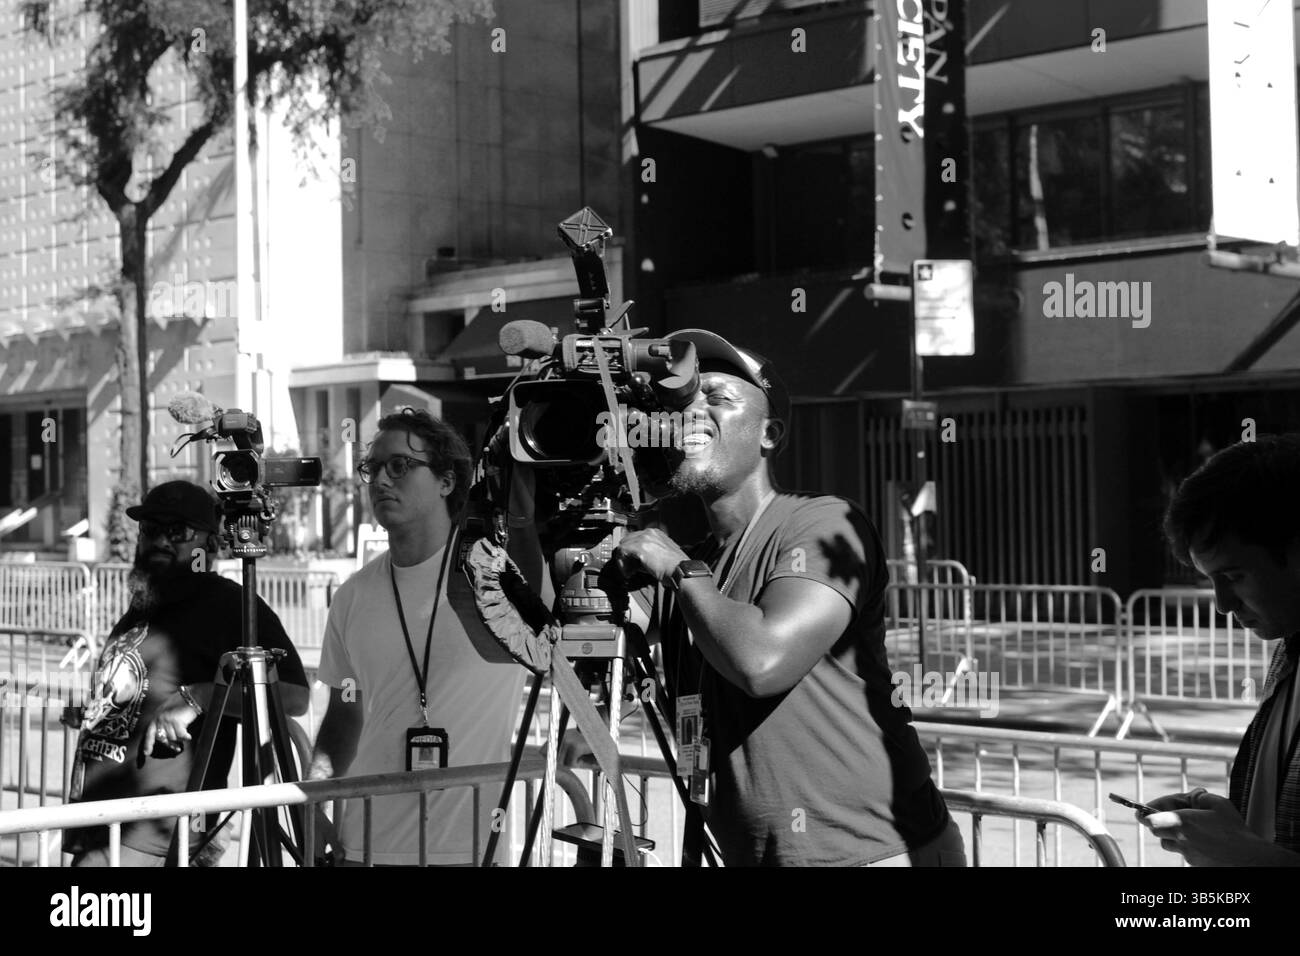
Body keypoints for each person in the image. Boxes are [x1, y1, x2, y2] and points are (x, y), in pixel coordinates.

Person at [610, 329, 964, 867]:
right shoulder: (690, 564)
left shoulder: (823, 523)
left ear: (769, 433)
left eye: (718, 398)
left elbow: (763, 661)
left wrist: (677, 569)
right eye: (679, 401)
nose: (690, 411)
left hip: (873, 855)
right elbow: (571, 626)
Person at [309, 408, 527, 865]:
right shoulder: (352, 595)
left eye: (401, 466)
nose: (381, 481)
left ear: (447, 482)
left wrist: (585, 735)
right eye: (373, 468)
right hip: (365, 845)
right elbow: (343, 718)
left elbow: (583, 654)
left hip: (468, 849)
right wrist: (314, 804)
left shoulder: (500, 581)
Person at [63, 480, 310, 867]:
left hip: (153, 836)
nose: (160, 540)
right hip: (104, 821)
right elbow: (140, 687)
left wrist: (199, 697)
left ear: (209, 545)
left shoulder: (227, 605)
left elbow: (295, 696)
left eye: (177, 531)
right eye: (151, 529)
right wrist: (93, 706)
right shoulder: (148, 598)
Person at [1148, 434, 1300, 865]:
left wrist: (1243, 854)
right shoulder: (1288, 646)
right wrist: (1231, 829)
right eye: (1209, 580)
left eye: (1234, 577)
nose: (1222, 605)